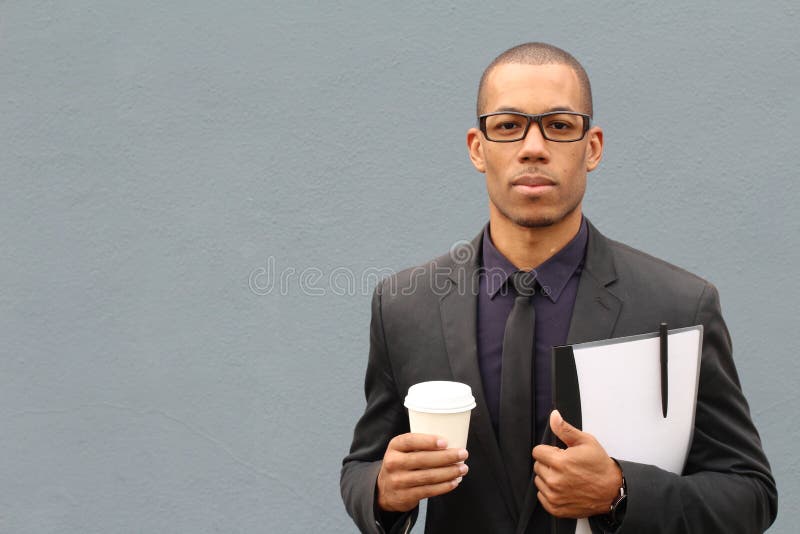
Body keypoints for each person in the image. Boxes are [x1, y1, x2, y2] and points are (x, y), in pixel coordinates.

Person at [341, 42, 777, 534]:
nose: (533, 147)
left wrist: (619, 492)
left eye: (559, 125)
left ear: (591, 147)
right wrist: (383, 492)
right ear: (476, 148)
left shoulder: (680, 304)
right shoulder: (404, 305)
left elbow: (751, 495)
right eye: (508, 125)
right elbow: (362, 466)